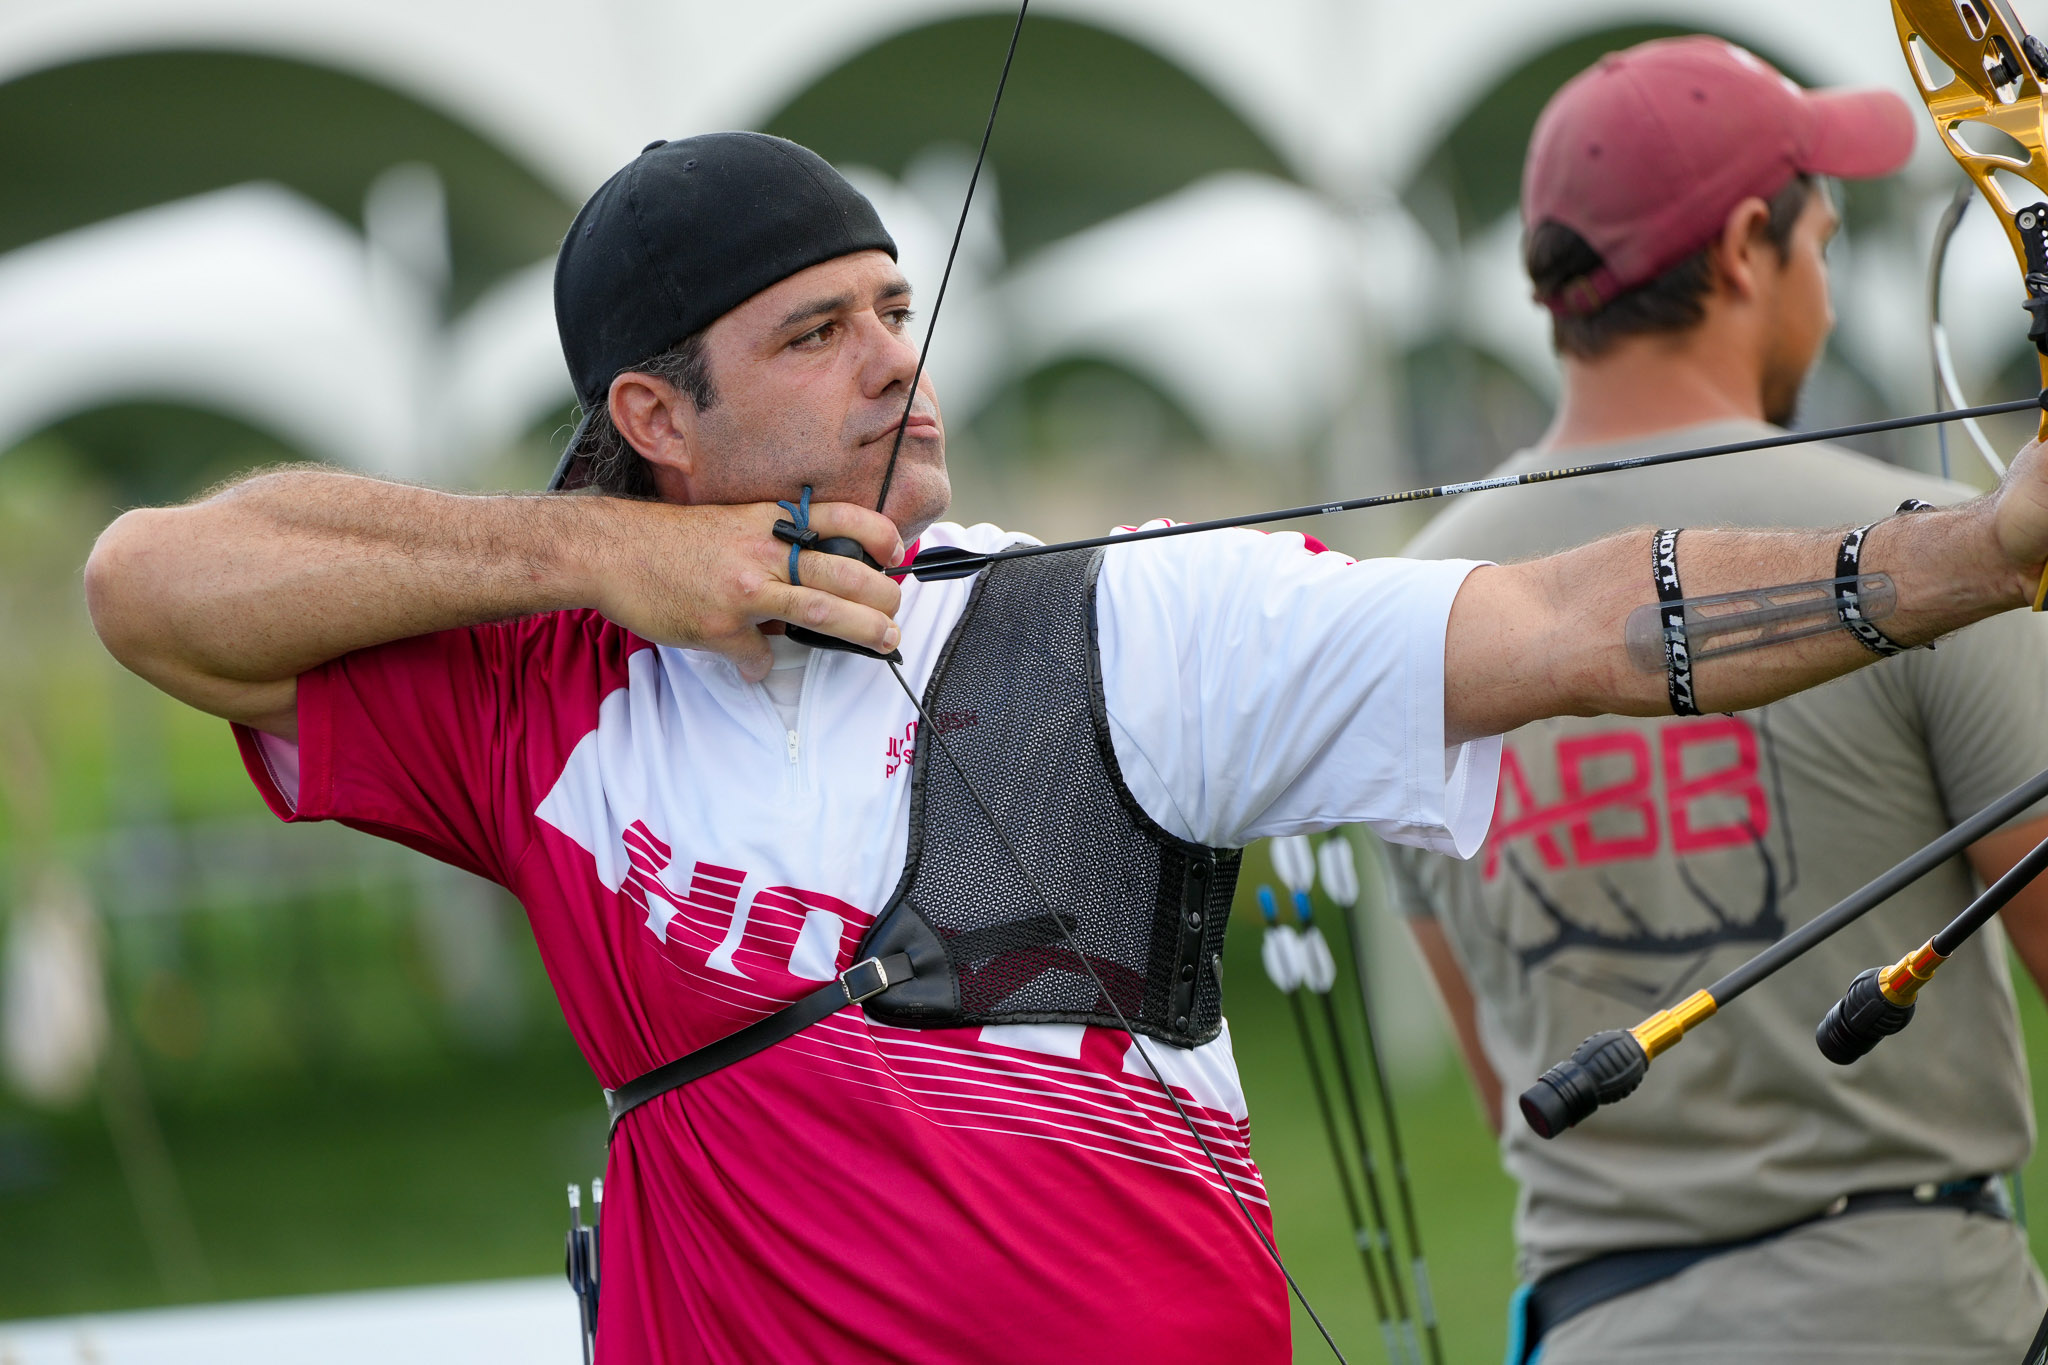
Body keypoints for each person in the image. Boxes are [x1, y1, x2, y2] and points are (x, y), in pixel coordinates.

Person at [81, 125, 2048, 1364]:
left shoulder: (1106, 621)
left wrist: (1978, 550)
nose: (894, 358)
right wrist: (609, 561)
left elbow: (1565, 624)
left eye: (890, 305)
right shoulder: (545, 701)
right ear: (653, 416)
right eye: (816, 333)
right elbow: (151, 585)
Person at [1385, 37, 2048, 1365]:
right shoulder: (1934, 553)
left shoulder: (1404, 614)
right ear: (1751, 247)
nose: (1838, 293)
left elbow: (1502, 1084)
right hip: (1920, 1322)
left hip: (1596, 1329)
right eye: (1827, 236)